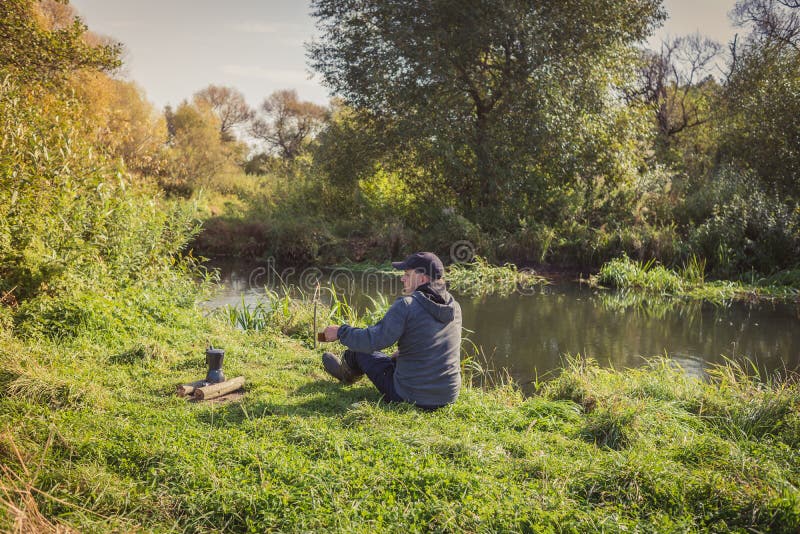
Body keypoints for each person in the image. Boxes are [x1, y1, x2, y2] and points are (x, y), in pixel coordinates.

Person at [320, 252, 462, 410]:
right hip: (448, 395)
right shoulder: (454, 307)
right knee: (393, 357)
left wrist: (340, 331)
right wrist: (403, 353)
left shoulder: (407, 305)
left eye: (407, 274)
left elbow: (372, 341)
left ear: (422, 279)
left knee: (360, 351)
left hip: (409, 396)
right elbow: (440, 344)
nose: (402, 279)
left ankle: (345, 373)